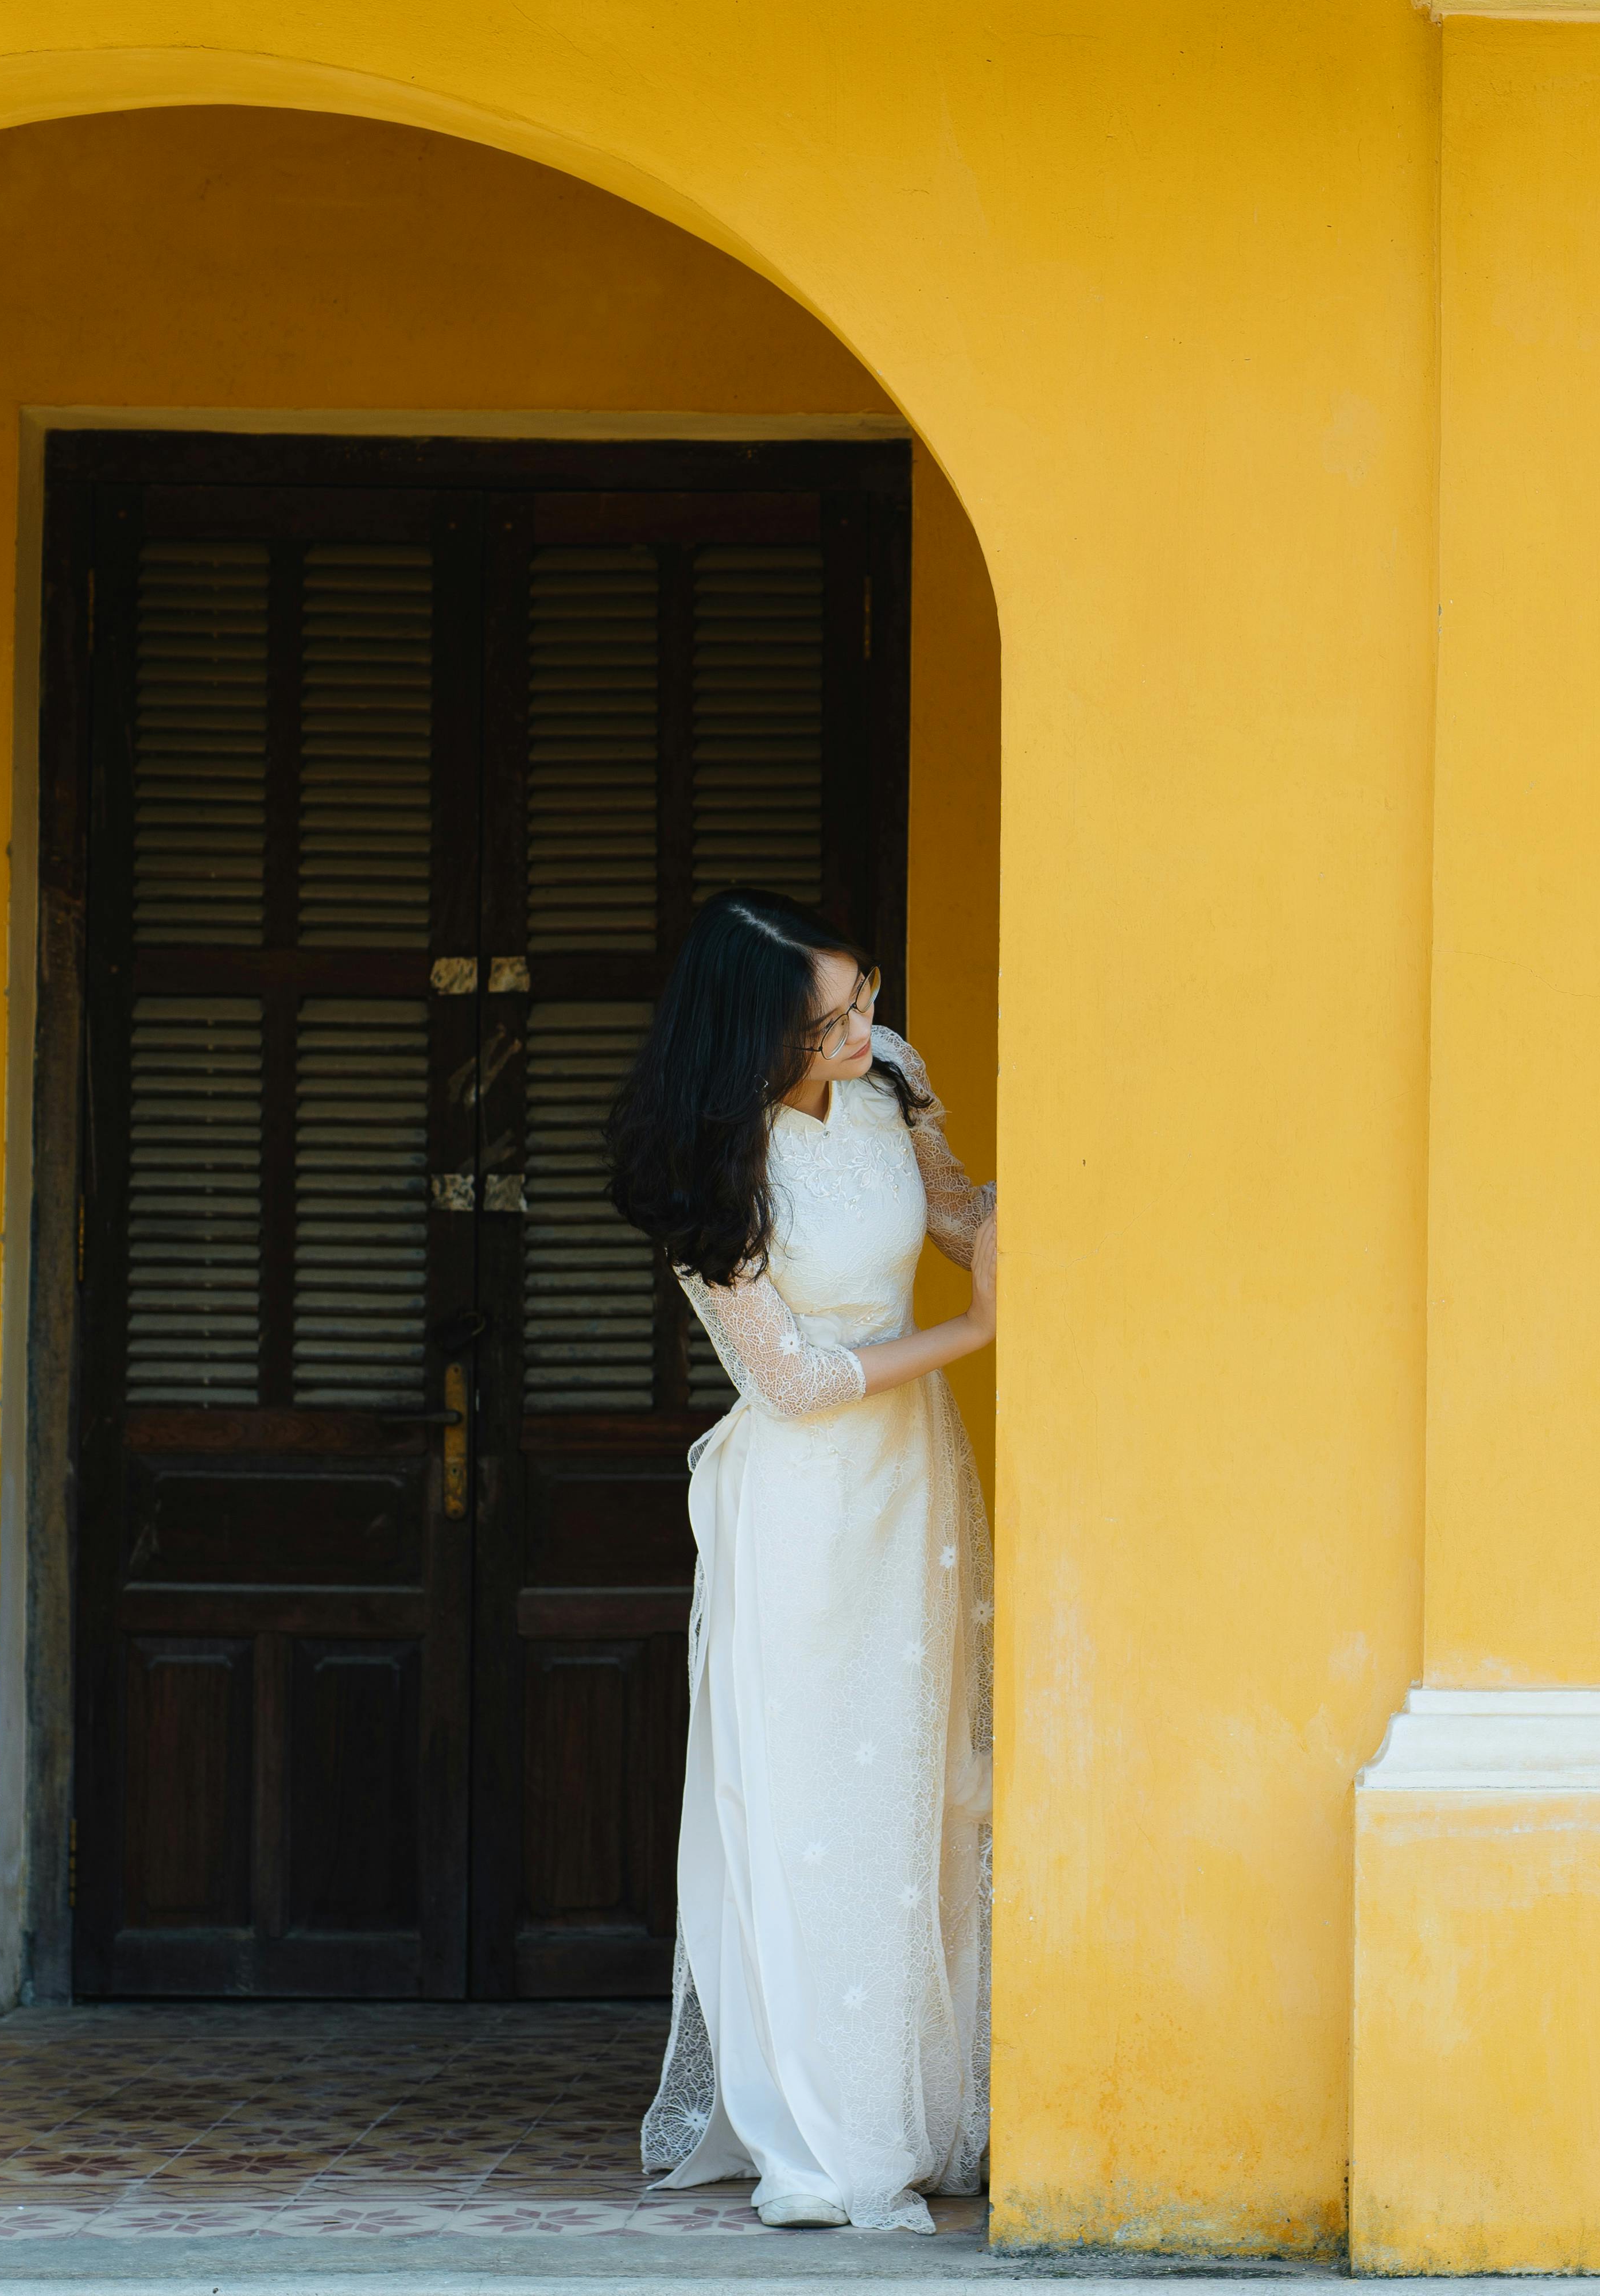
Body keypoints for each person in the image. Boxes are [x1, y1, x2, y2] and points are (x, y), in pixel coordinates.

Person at [605, 887, 997, 2231]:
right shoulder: (706, 1167)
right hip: (808, 1505)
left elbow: (953, 1222)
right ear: (747, 1034)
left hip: (917, 1491)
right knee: (819, 1797)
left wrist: (970, 1152)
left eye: (864, 997)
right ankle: (829, 2130)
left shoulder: (888, 1077)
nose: (859, 1030)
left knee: (924, 1786)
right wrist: (976, 1334)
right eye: (826, 1020)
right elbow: (799, 1379)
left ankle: (923, 2103)